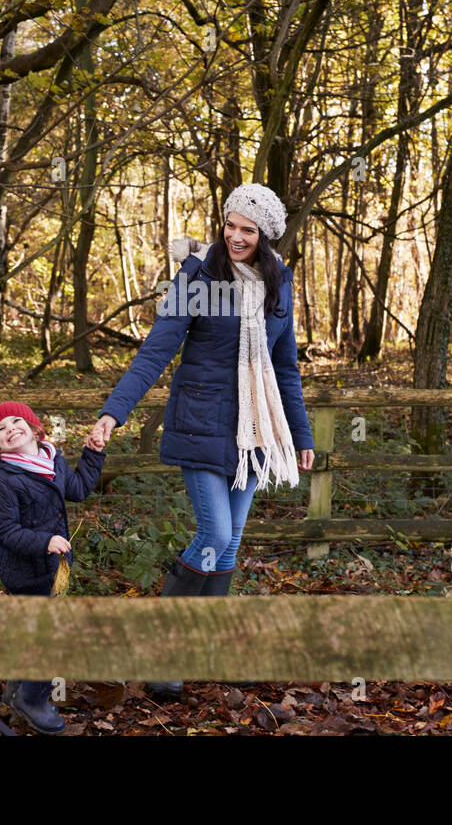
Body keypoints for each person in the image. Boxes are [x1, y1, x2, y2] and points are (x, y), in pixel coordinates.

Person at [89, 182, 314, 699]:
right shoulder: (197, 274)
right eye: (230, 225)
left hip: (254, 428)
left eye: (247, 230)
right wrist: (112, 414)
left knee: (232, 540)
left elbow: (286, 368)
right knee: (213, 534)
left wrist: (299, 434)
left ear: (266, 235)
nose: (235, 236)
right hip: (200, 420)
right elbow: (155, 351)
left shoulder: (280, 283)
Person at [0, 401, 106, 734]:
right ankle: (34, 699)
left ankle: (15, 691)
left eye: (15, 421)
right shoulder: (2, 480)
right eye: (0, 429)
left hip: (53, 567)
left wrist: (92, 453)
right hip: (26, 570)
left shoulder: (51, 461)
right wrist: (44, 541)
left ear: (35, 428)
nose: (10, 429)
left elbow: (78, 490)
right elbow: (4, 531)